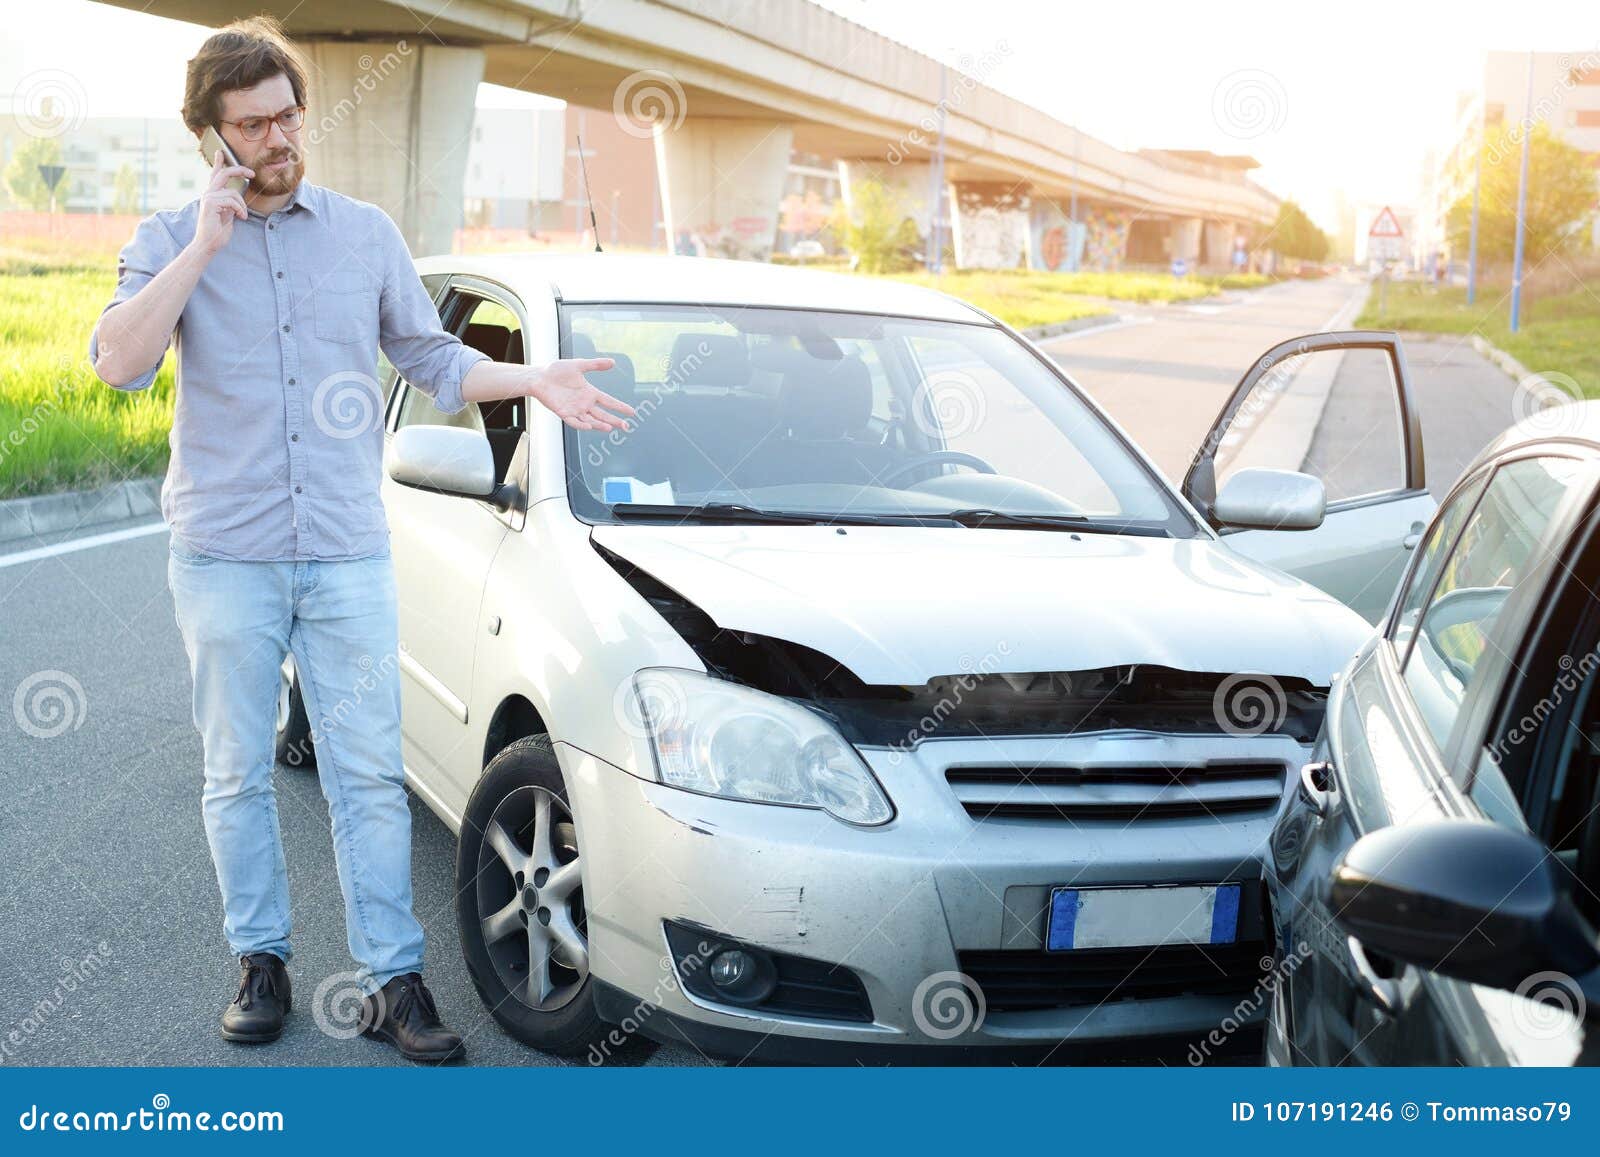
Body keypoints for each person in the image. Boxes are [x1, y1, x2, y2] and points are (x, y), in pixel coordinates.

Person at [86, 16, 634, 1063]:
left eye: (288, 113)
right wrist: (206, 244)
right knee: (237, 771)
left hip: (343, 551)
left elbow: (430, 356)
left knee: (366, 773)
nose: (279, 137)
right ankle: (261, 958)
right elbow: (119, 361)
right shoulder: (167, 238)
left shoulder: (365, 233)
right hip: (224, 554)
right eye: (252, 125)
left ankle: (391, 978)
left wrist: (527, 379)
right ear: (212, 137)